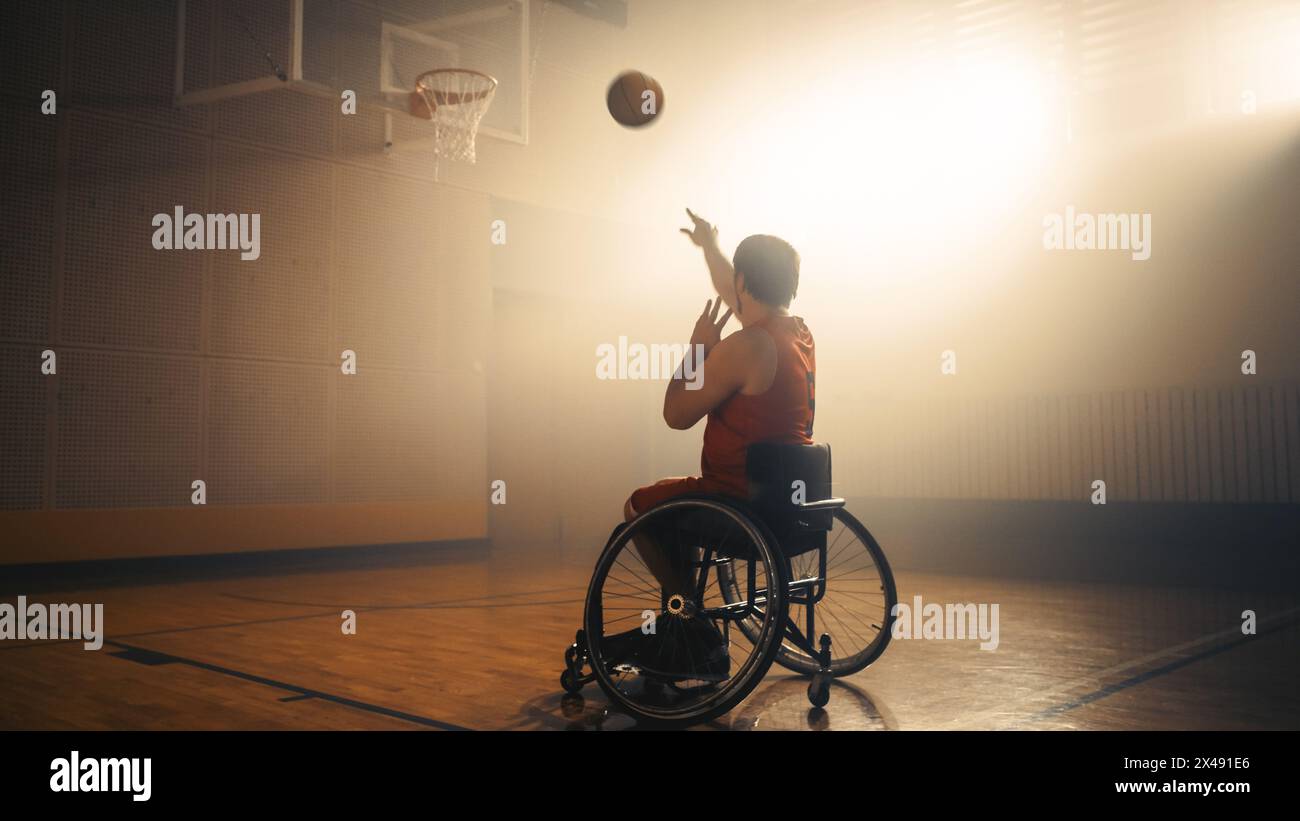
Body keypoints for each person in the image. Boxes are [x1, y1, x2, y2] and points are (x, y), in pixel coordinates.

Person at [606, 208, 816, 680]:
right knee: (669, 500)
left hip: (737, 502)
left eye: (736, 284)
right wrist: (710, 247)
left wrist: (698, 347)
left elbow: (675, 414)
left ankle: (691, 623)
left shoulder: (746, 347)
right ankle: (683, 631)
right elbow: (738, 292)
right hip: (790, 504)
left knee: (640, 507)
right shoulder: (798, 333)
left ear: (744, 282)